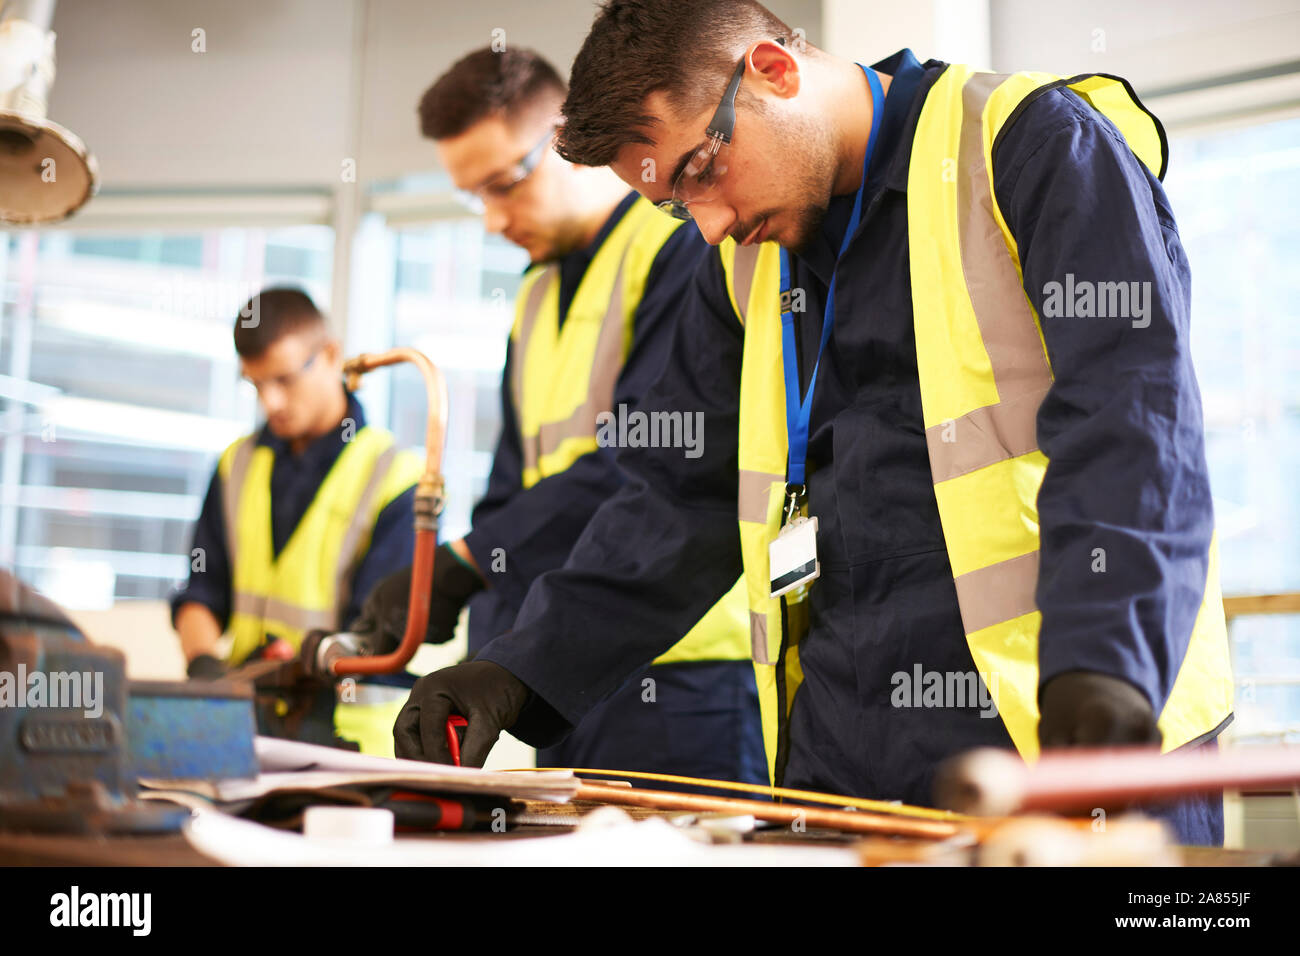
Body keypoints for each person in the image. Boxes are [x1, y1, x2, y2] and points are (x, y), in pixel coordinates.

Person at [390, 0, 1237, 846]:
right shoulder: (744, 268)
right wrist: (515, 668)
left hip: (1068, 735)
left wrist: (1107, 664)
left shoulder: (1027, 146)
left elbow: (1132, 418)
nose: (711, 224)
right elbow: (675, 502)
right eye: (676, 206)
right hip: (840, 771)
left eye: (701, 170)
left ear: (773, 70)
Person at [360, 47, 765, 783]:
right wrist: (488, 651)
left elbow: (646, 460)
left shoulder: (680, 245)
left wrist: (466, 562)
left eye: (503, 186)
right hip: (563, 667)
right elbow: (512, 485)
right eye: (472, 197)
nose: (491, 221)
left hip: (680, 670)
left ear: (566, 140)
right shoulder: (535, 293)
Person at [172, 288, 422, 755]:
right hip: (246, 735)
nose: (270, 402)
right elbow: (201, 591)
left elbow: (381, 631)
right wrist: (205, 667)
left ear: (330, 355)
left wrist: (305, 664)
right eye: (256, 384)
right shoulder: (236, 464)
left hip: (353, 748)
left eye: (284, 380)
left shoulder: (395, 477)